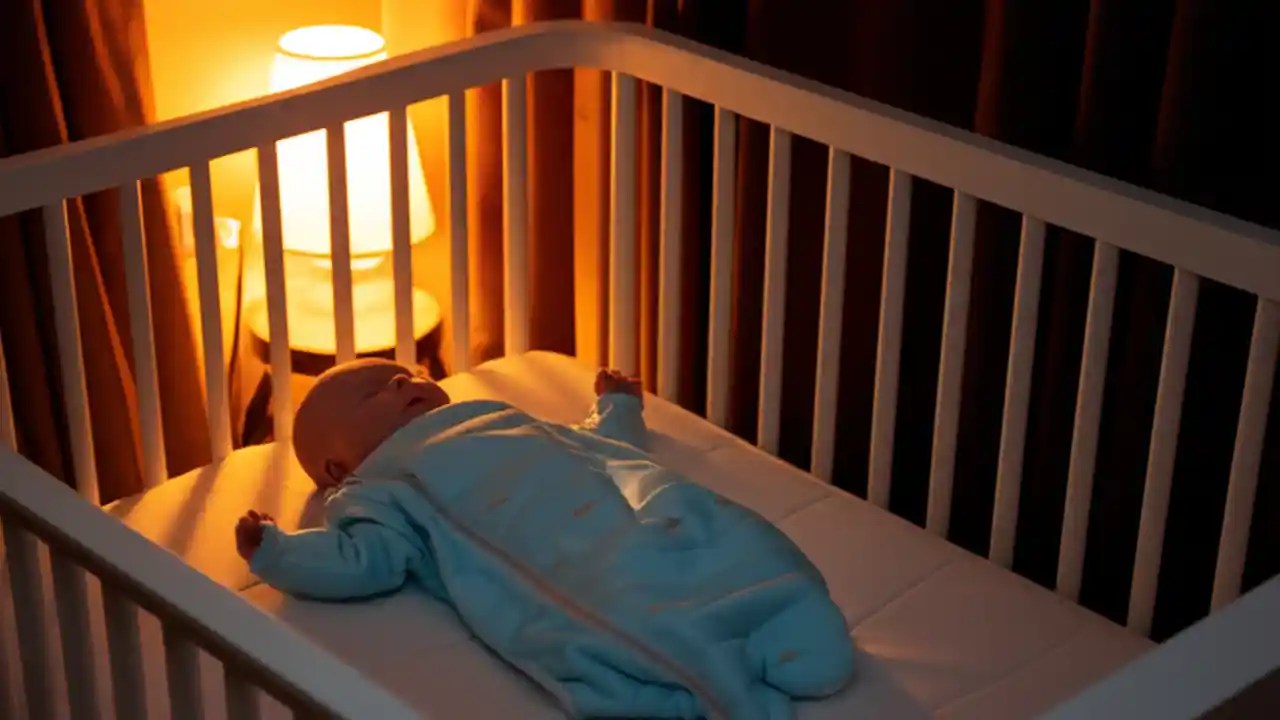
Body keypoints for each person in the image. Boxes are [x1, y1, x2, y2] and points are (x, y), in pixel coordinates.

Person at [235, 358, 853, 719]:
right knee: (615, 610)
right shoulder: (380, 488)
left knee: (710, 534)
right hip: (562, 558)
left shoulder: (495, 415)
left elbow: (590, 447)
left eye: (407, 375)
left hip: (621, 515)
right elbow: (362, 561)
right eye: (378, 391)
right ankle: (703, 688)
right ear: (338, 470)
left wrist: (617, 410)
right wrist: (280, 553)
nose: (405, 384)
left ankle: (781, 607)